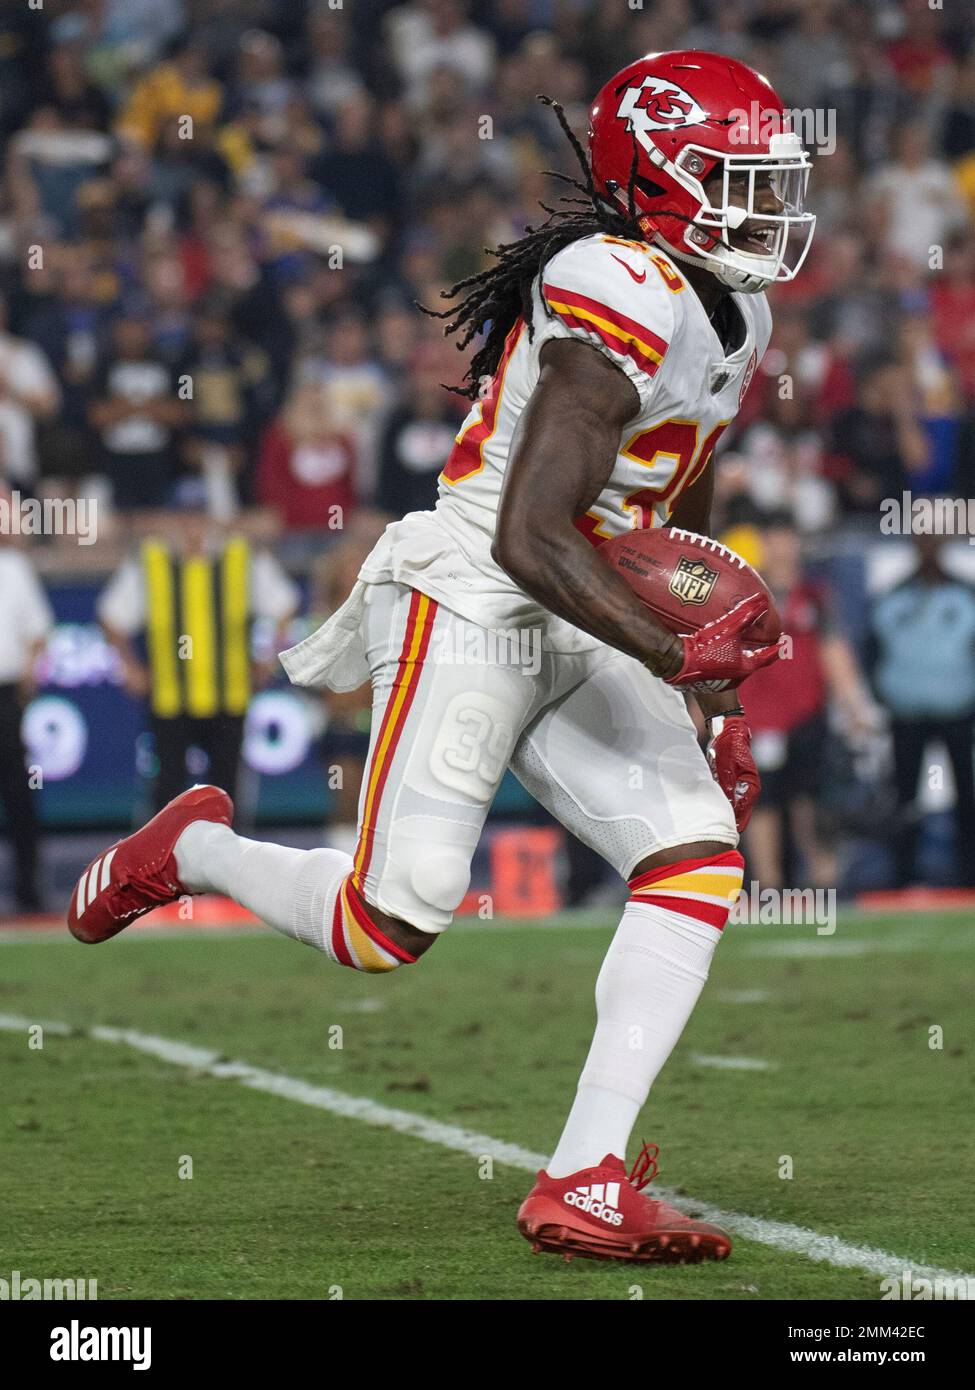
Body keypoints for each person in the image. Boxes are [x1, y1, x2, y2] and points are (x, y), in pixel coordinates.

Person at [67, 52, 812, 1265]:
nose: (765, 205)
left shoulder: (740, 303)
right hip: (477, 590)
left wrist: (694, 652)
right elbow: (530, 529)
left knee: (696, 859)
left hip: (592, 593)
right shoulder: (613, 278)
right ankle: (190, 846)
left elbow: (669, 482)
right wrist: (677, 658)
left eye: (769, 178)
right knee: (388, 924)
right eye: (736, 177)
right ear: (655, 180)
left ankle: (585, 1175)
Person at [97, 508, 299, 812]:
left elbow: (284, 605)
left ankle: (228, 854)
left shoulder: (241, 558)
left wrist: (268, 659)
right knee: (167, 786)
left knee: (226, 788)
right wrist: (129, 667)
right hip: (170, 695)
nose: (194, 528)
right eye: (186, 518)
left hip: (229, 693)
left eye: (200, 517)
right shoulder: (151, 561)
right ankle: (165, 857)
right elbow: (111, 616)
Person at [740, 512, 875, 890]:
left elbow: (834, 651)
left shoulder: (815, 595)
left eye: (787, 537)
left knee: (809, 798)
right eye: (774, 537)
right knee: (761, 801)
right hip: (759, 716)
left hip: (805, 714)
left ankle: (821, 876)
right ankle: (768, 880)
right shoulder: (746, 598)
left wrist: (855, 707)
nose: (781, 546)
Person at [868, 531, 975, 888]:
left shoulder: (965, 594)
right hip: (907, 715)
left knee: (966, 795)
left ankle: (967, 874)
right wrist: (884, 696)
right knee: (905, 798)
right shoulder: (893, 597)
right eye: (922, 541)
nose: (929, 548)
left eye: (935, 541)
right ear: (913, 546)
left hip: (959, 712)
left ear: (945, 546)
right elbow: (872, 651)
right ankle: (903, 875)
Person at [0, 496, 54, 911]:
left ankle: (28, 888)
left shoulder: (13, 567)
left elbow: (37, 630)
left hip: (6, 693)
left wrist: (30, 671)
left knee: (17, 792)